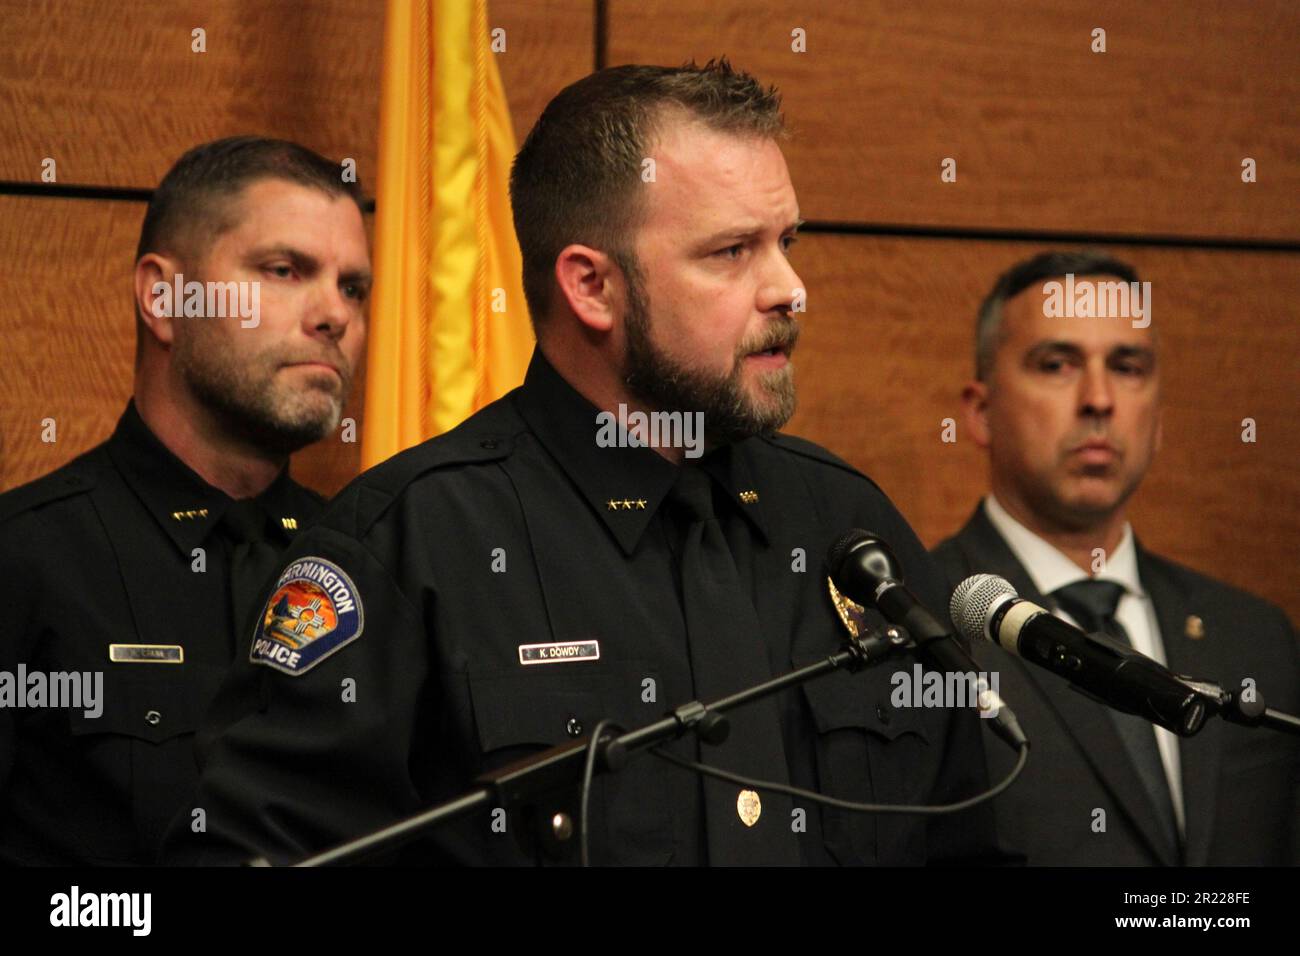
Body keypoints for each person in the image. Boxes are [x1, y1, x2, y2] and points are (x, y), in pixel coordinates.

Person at [170, 60, 1000, 867]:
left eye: (786, 242)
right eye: (731, 253)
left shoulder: (847, 528)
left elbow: (970, 844)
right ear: (592, 287)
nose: (789, 289)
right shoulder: (409, 545)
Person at [0, 136, 371, 864]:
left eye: (353, 286)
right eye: (285, 270)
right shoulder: (25, 561)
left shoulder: (371, 561)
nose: (334, 314)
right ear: (164, 298)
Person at [933, 250, 1300, 865]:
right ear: (980, 411)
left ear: (1157, 416)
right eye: (1057, 364)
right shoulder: (920, 626)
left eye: (1128, 367)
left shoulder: (1257, 637)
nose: (1099, 399)